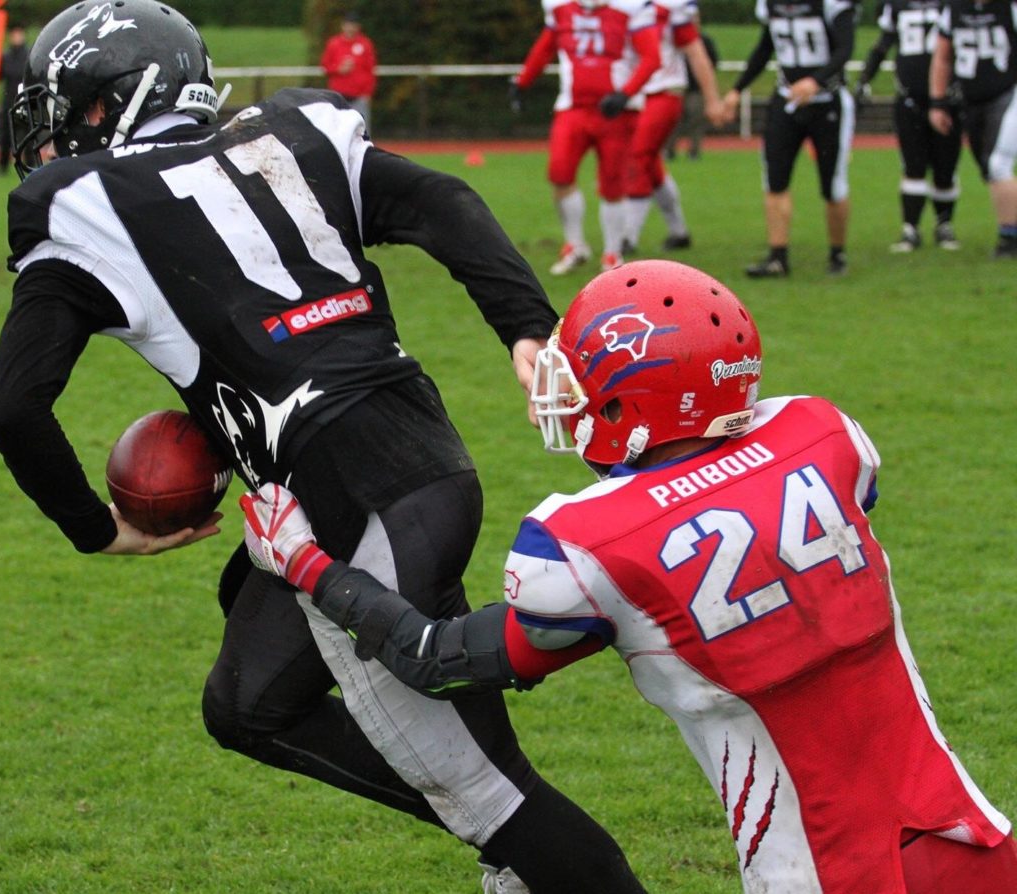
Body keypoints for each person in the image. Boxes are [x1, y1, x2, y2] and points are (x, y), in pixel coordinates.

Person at [0, 3, 647, 893]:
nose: (58, 132)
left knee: (491, 796)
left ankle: (517, 840)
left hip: (350, 509)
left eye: (74, 109)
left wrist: (95, 528)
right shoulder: (294, 132)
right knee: (247, 703)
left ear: (117, 102)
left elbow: (16, 408)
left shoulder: (86, 204)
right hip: (418, 461)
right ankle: (510, 838)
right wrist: (525, 326)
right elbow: (445, 202)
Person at [241, 258, 1017, 894]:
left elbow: (437, 660)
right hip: (975, 844)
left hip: (821, 874)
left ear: (634, 401)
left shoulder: (591, 541)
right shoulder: (823, 432)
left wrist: (307, 563)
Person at [510, 0, 662, 275]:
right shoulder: (560, 7)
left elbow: (652, 57)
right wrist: (523, 80)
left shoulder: (631, 8)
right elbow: (546, 46)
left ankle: (612, 253)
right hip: (573, 107)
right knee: (560, 173)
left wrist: (625, 94)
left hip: (616, 112)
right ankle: (575, 245)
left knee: (612, 183)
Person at [722, 0, 858, 277]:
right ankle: (778, 257)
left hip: (828, 101)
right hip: (786, 101)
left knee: (832, 186)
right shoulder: (770, 4)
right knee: (775, 180)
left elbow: (845, 48)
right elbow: (765, 48)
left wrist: (816, 81)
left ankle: (837, 254)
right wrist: (738, 88)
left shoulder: (830, 4)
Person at [616, 0, 724, 255]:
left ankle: (628, 237)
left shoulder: (670, 6)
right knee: (650, 164)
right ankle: (679, 232)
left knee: (638, 157)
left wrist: (712, 99)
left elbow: (695, 51)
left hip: (664, 89)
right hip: (629, 93)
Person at [856, 0, 962, 252]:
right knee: (913, 165)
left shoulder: (952, 5)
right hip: (910, 97)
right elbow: (883, 44)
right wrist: (864, 79)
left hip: (947, 99)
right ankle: (911, 228)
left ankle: (944, 225)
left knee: (945, 167)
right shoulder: (897, 5)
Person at [930, 0, 1017, 258]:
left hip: (1008, 93)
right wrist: (937, 102)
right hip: (972, 99)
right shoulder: (955, 8)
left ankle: (1010, 238)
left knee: (998, 164)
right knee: (988, 168)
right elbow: (942, 56)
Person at [666, 28, 718, 160]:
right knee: (671, 121)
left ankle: (694, 151)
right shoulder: (672, 39)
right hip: (676, 88)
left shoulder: (703, 41)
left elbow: (713, 61)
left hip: (695, 89)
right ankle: (669, 150)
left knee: (696, 120)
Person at [319, 11, 377, 131]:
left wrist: (368, 92)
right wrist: (338, 69)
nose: (351, 28)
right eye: (348, 25)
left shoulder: (365, 44)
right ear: (343, 26)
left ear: (358, 27)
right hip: (338, 96)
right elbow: (325, 66)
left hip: (359, 97)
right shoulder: (334, 44)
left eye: (354, 25)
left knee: (361, 131)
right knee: (337, 130)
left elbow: (370, 70)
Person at [0, 23, 29, 174]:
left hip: (25, 99)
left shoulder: (28, 55)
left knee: (28, 135)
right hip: (9, 100)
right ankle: (2, 165)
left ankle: (31, 163)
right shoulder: (6, 56)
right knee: (6, 134)